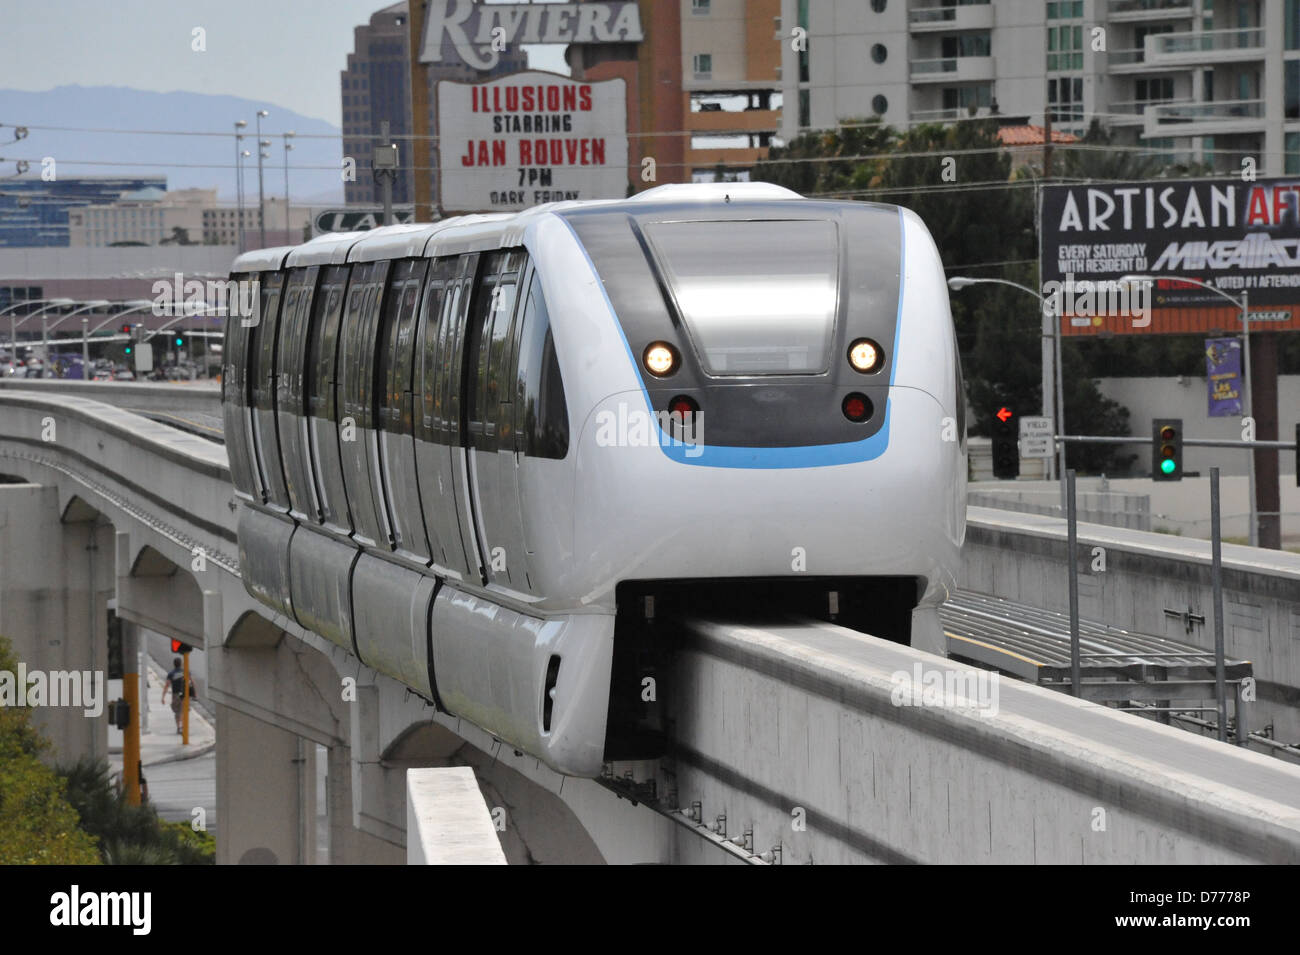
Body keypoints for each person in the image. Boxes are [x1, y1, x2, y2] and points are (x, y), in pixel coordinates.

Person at [161, 657, 187, 734]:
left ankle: (179, 727)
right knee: (182, 711)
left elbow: (167, 685)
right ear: (181, 664)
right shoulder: (185, 672)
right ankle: (181, 727)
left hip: (175, 695)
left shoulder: (171, 674)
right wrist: (194, 694)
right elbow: (191, 683)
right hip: (184, 694)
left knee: (177, 712)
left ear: (174, 664)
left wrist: (163, 697)